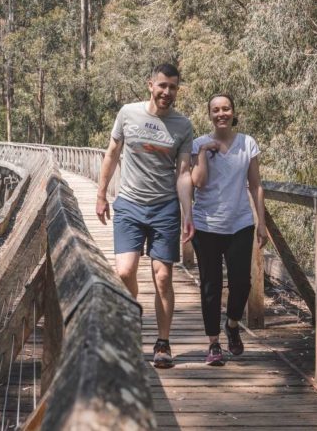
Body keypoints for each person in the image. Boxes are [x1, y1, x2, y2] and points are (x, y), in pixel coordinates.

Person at [96, 63, 195, 369]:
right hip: (128, 203)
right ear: (150, 84)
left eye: (173, 87)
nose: (167, 92)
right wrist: (101, 194)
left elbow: (182, 173)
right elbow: (112, 154)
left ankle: (163, 342)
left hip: (164, 207)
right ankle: (130, 324)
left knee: (163, 276)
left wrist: (187, 212)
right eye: (163, 85)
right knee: (125, 272)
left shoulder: (183, 125)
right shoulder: (128, 113)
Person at [188, 93, 267, 366]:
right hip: (206, 225)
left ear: (233, 112)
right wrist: (202, 154)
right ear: (209, 114)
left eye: (226, 109)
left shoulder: (248, 143)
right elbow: (197, 183)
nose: (221, 113)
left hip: (240, 224)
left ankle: (232, 325)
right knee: (210, 285)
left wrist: (262, 224)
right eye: (216, 110)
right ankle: (213, 344)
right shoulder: (199, 143)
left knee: (242, 283)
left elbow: (256, 185)